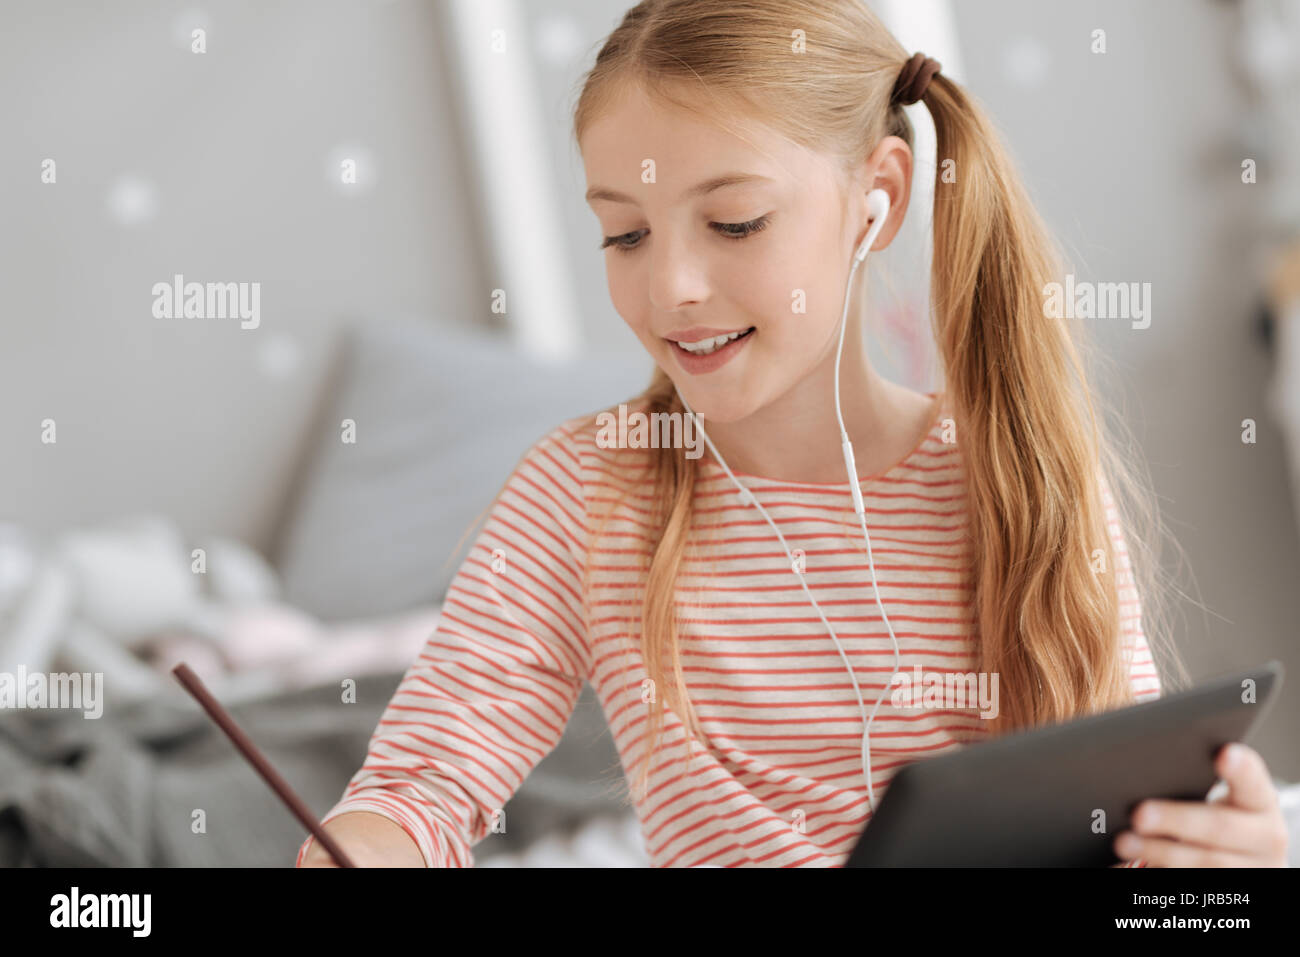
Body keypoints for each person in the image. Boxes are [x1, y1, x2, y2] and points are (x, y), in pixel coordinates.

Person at [299, 0, 1289, 868]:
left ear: (877, 200)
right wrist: (367, 845)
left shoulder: (1014, 476)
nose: (670, 287)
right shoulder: (586, 493)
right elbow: (422, 786)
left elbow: (1134, 829)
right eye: (625, 233)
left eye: (733, 222)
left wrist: (1215, 874)